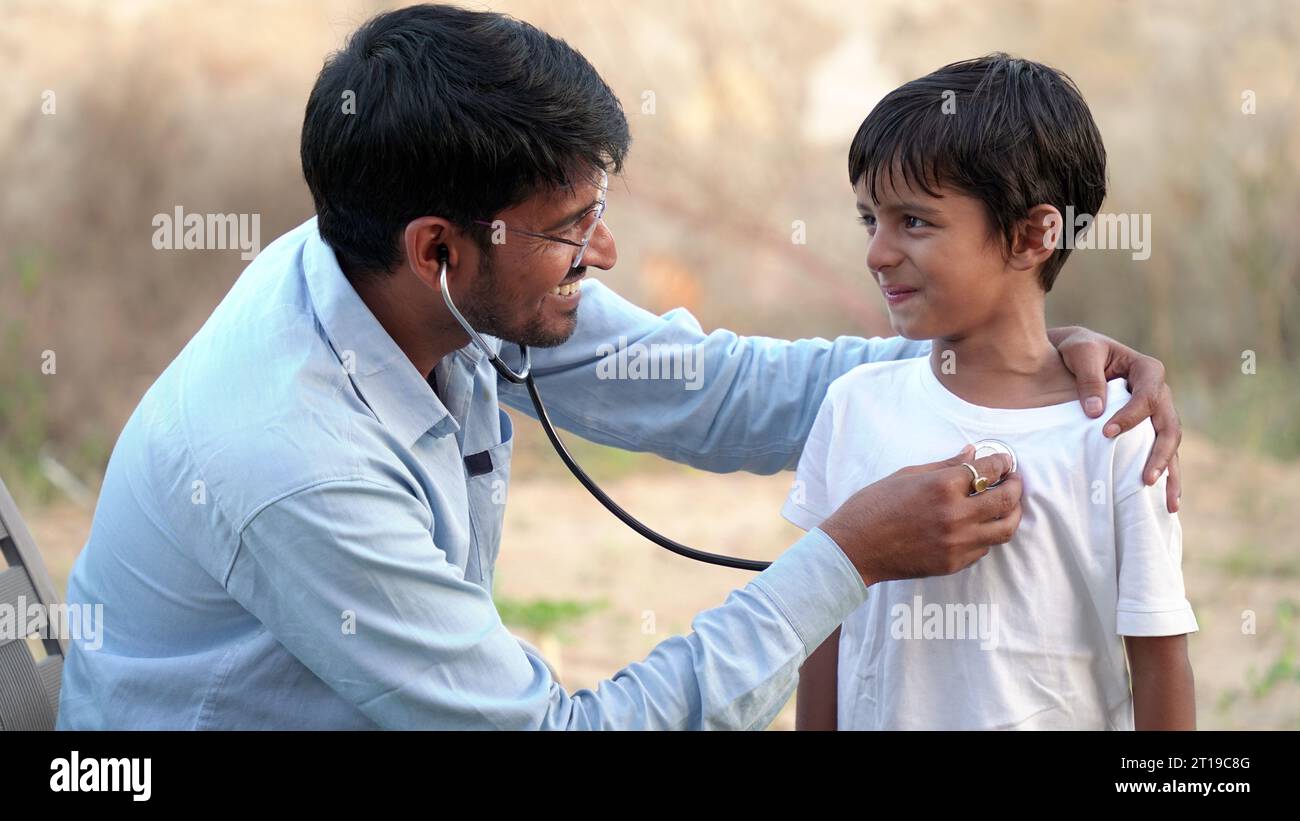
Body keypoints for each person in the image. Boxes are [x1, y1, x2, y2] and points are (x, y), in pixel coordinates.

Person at [56, 6, 1183, 730]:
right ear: (439, 248)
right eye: (574, 226)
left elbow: (712, 389)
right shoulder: (292, 465)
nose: (601, 255)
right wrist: (841, 557)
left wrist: (1006, 351)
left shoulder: (390, 258)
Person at [786, 55, 1197, 731]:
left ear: (1034, 234)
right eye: (870, 220)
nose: (877, 253)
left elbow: (1158, 661)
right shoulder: (854, 406)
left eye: (913, 222)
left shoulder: (1118, 433)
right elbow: (822, 634)